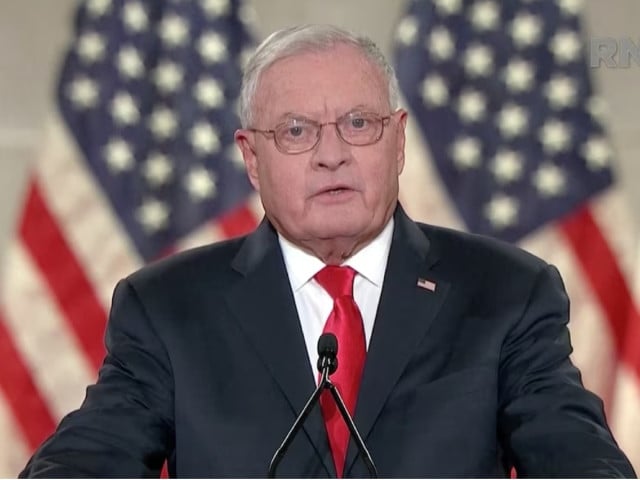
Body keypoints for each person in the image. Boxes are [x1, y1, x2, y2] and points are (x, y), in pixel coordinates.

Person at [20, 24, 636, 478]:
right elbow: (91, 455)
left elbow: (573, 453)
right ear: (250, 158)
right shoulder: (167, 307)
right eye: (296, 131)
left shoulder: (506, 293)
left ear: (398, 142)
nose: (331, 153)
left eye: (359, 124)